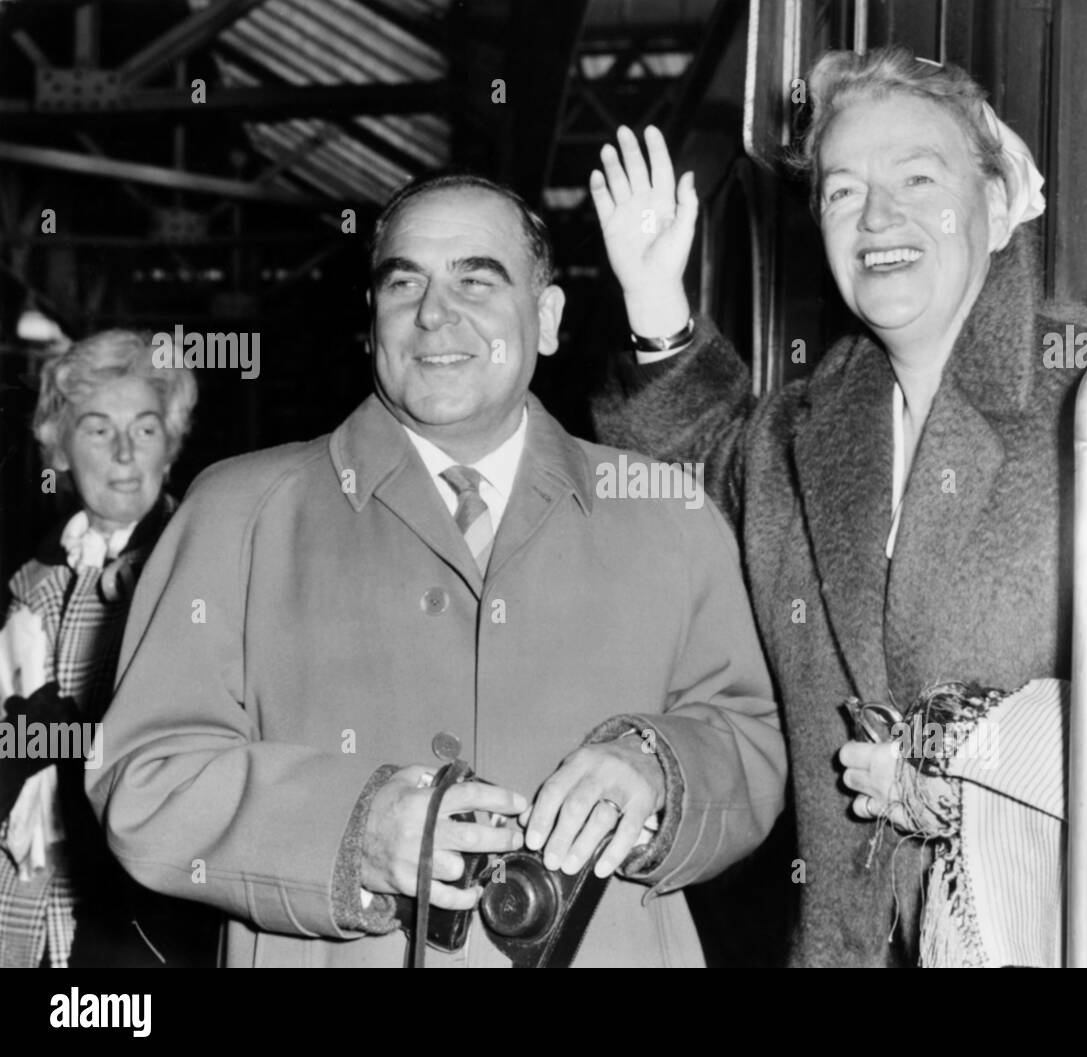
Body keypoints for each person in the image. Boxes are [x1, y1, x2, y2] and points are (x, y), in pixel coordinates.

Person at [87, 173, 785, 968]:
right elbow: (145, 776)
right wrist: (353, 831)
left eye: (475, 280)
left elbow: (750, 741)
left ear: (548, 318)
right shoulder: (236, 512)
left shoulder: (667, 511)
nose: (433, 313)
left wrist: (659, 768)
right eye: (404, 281)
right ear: (373, 319)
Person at [589, 45, 1087, 966]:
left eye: (919, 177)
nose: (877, 215)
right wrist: (655, 300)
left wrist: (966, 770)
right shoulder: (802, 430)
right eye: (843, 191)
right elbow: (684, 480)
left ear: (1000, 204)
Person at [0, 329, 203, 967]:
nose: (123, 454)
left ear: (170, 447)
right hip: (22, 912)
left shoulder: (201, 571)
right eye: (97, 430)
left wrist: (51, 733)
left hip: (136, 927)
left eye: (145, 430)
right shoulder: (28, 581)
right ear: (59, 447)